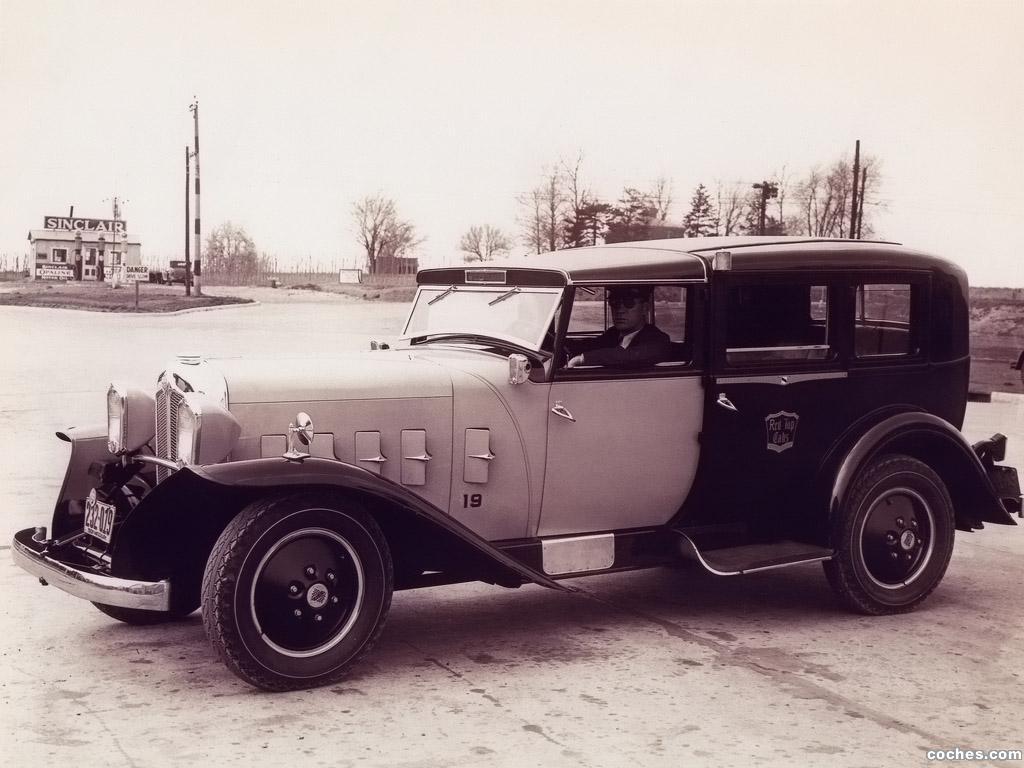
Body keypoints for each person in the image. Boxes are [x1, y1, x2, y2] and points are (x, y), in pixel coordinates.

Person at [566, 286, 671, 367]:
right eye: (614, 303)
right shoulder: (613, 334)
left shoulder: (658, 339)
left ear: (644, 308)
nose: (620, 310)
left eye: (629, 303)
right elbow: (590, 345)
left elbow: (631, 356)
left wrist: (583, 359)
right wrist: (560, 343)